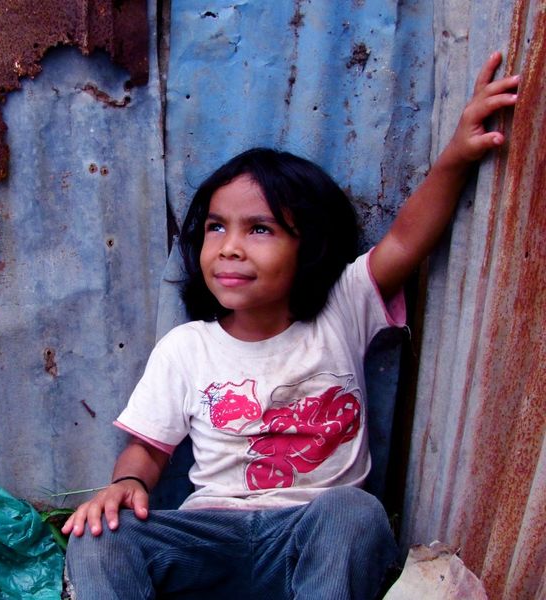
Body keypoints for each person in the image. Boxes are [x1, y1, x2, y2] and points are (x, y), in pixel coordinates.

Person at [62, 52, 519, 599]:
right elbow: (150, 450)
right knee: (97, 537)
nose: (229, 247)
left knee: (355, 512)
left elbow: (404, 240)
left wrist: (457, 156)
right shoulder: (187, 347)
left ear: (310, 248)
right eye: (215, 227)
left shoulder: (342, 308)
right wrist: (126, 484)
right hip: (212, 537)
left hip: (311, 537)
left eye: (260, 229)